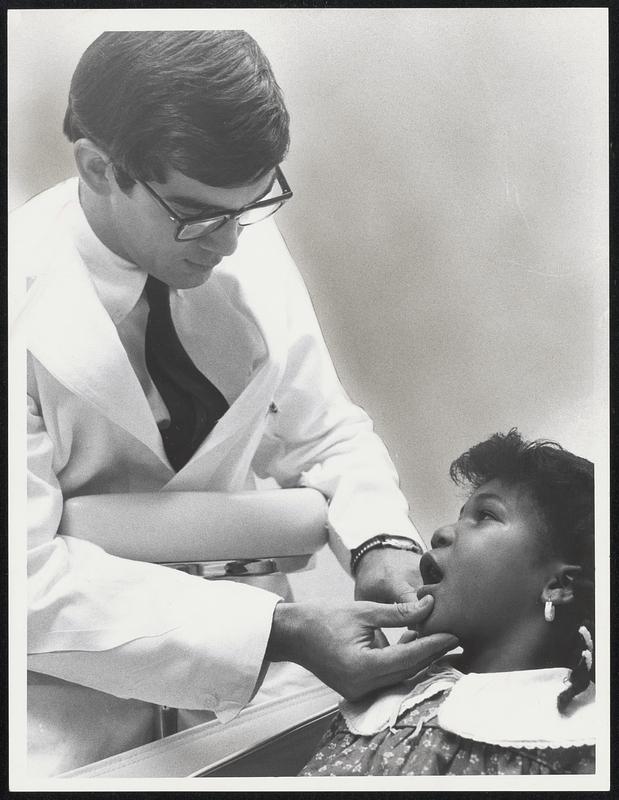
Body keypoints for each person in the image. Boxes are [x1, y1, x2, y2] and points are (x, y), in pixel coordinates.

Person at [10, 31, 457, 776]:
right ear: (96, 166)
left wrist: (382, 543)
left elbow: (322, 433)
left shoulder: (233, 229)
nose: (227, 242)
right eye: (196, 214)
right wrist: (275, 631)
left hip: (258, 683)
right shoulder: (20, 298)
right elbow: (21, 578)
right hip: (64, 704)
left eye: (251, 205)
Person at [301, 429, 595, 776]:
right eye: (459, 514)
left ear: (558, 585)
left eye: (485, 515)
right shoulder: (379, 701)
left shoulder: (572, 747)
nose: (440, 532)